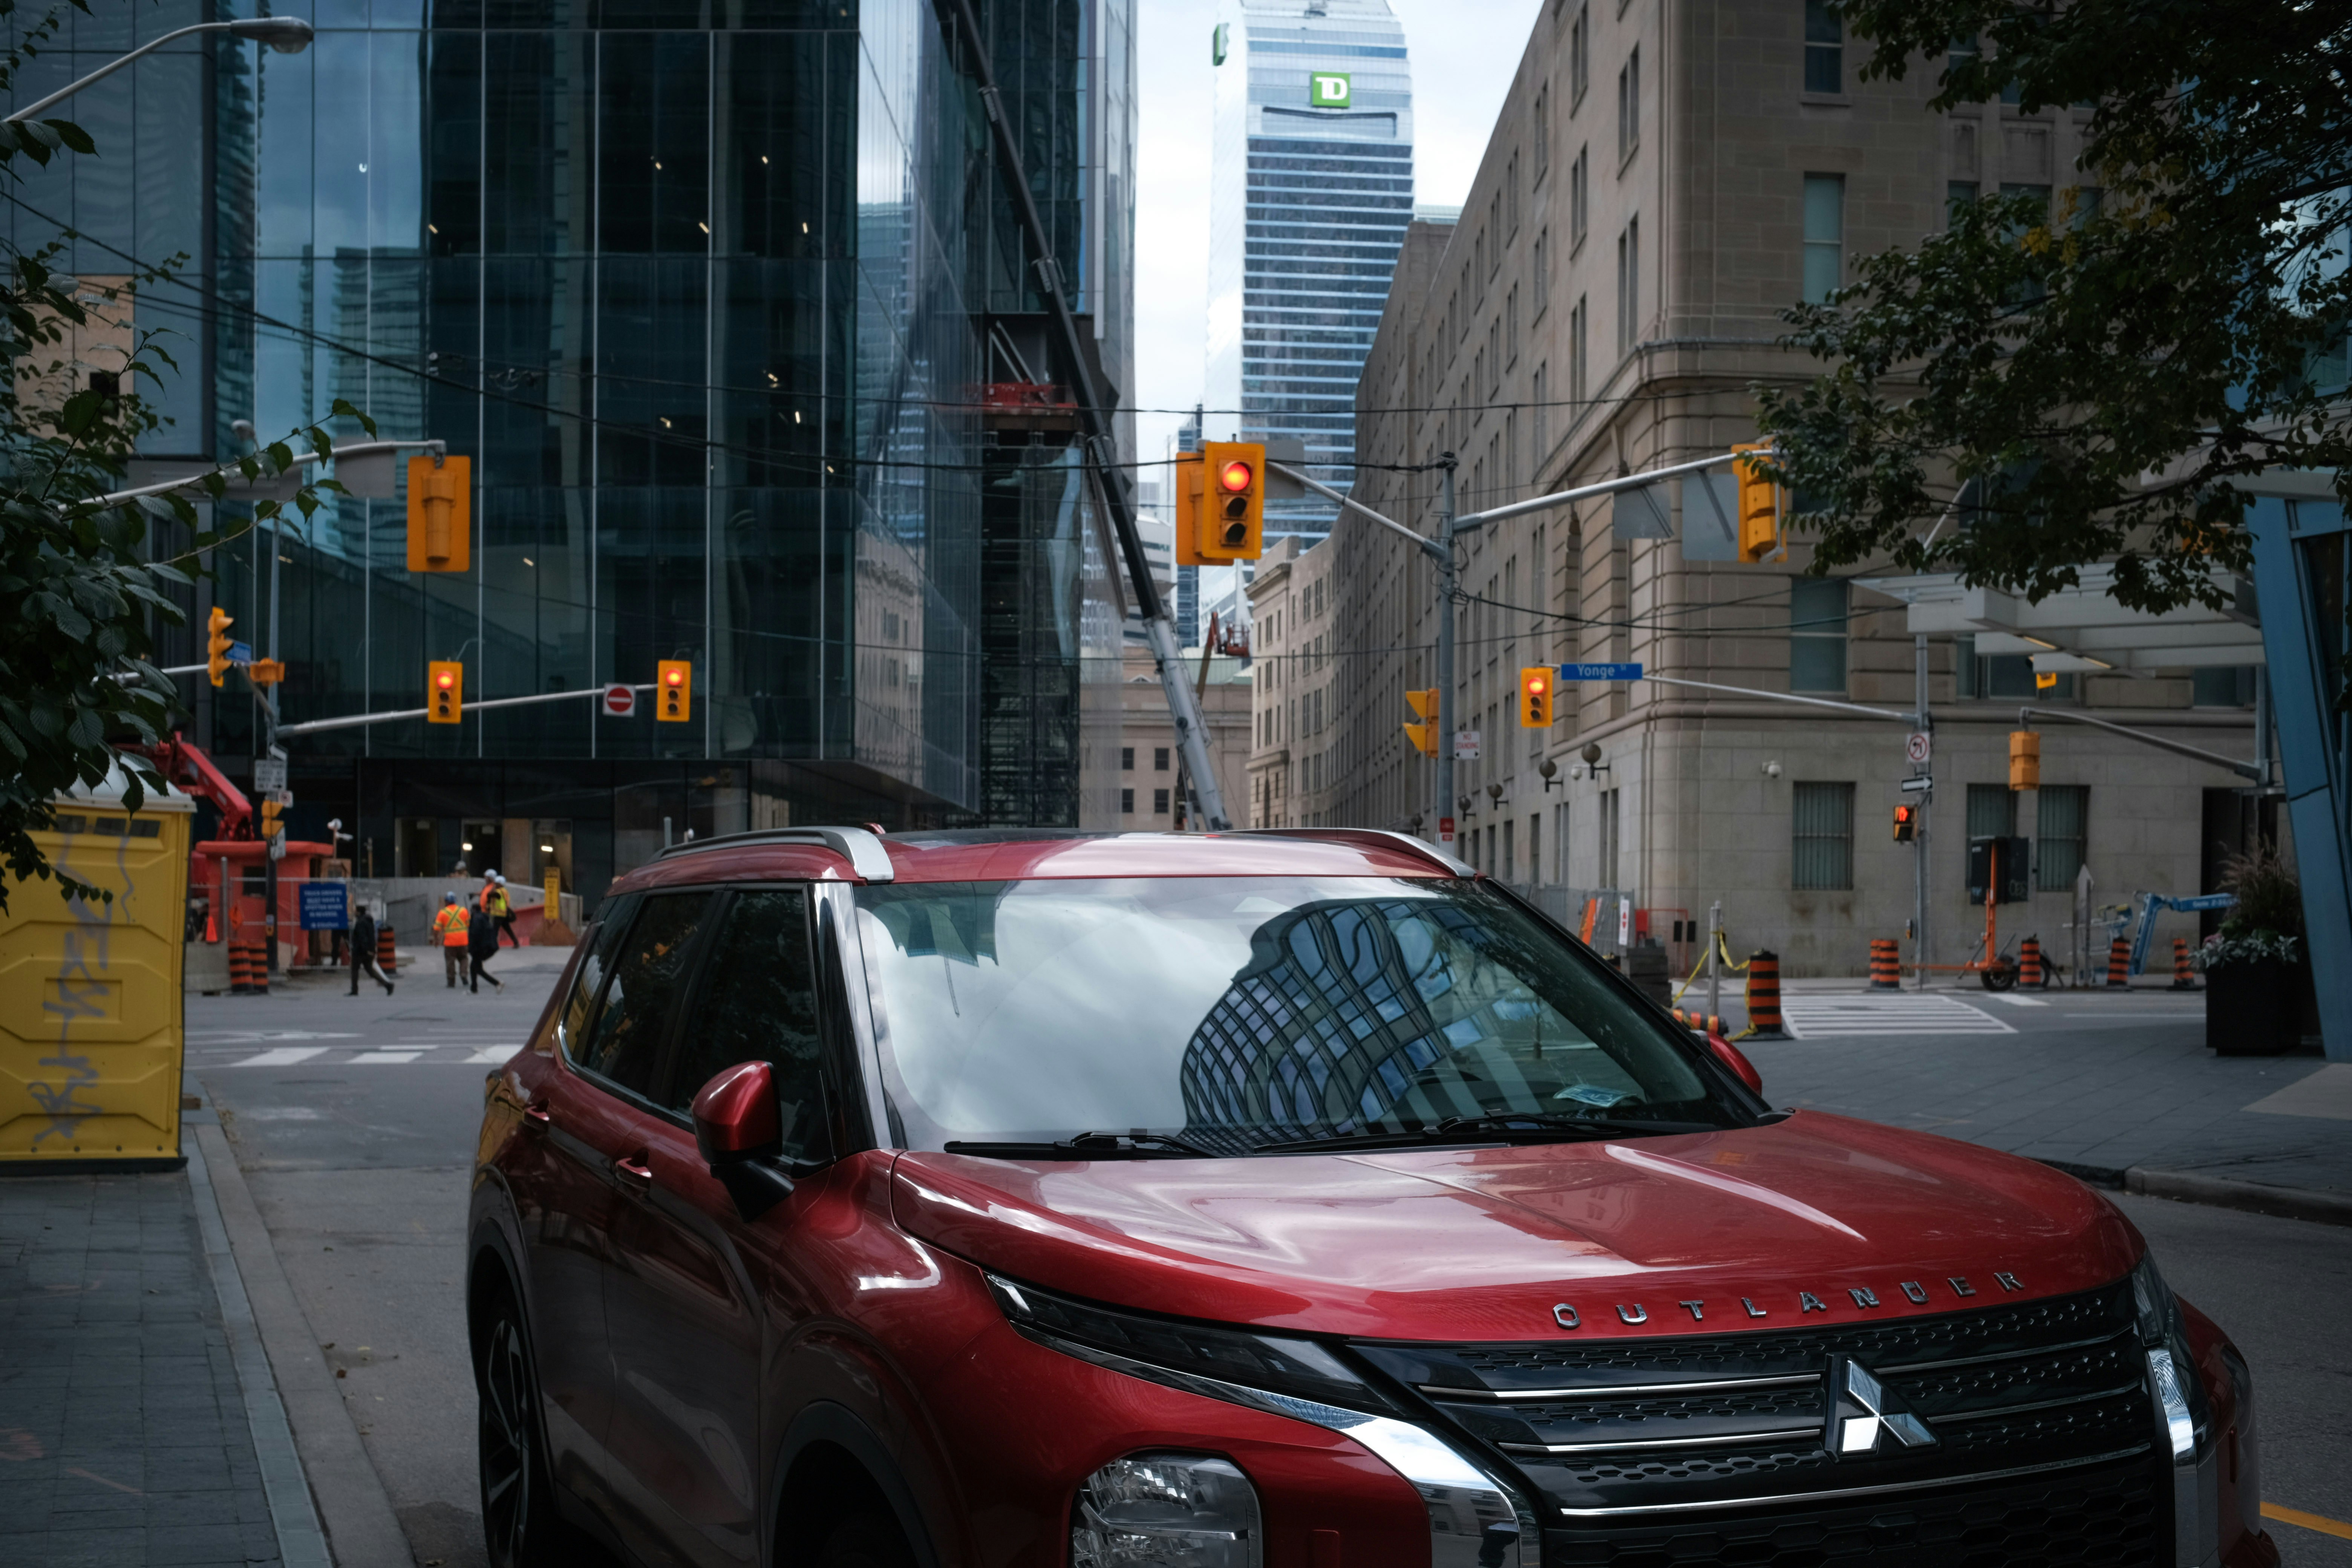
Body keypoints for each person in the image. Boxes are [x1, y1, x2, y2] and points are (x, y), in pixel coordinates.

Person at [349, 902, 394, 996]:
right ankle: (388, 985)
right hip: (369, 950)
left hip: (361, 951)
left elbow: (363, 938)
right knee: (371, 971)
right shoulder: (369, 921)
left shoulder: (361, 922)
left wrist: (365, 949)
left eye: (355, 911)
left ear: (359, 912)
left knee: (355, 970)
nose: (354, 913)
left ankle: (355, 990)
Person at [468, 888, 505, 993]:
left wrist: (471, 948)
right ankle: (474, 989)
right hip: (487, 948)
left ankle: (497, 984)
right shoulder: (484, 918)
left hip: (479, 948)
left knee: (478, 969)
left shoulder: (476, 919)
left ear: (473, 910)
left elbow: (475, 934)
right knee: (473, 967)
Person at [433, 890, 471, 989]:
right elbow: (469, 924)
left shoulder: (442, 913)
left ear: (446, 902)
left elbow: (437, 929)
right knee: (464, 958)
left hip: (450, 943)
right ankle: (463, 974)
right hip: (463, 941)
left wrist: (436, 940)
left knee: (450, 961)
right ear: (455, 901)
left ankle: (451, 981)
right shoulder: (463, 911)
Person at [485, 873, 518, 947]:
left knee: (495, 930)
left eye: (497, 884)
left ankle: (493, 945)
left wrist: (493, 888)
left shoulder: (499, 892)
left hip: (498, 914)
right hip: (503, 914)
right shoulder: (504, 891)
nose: (495, 885)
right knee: (508, 929)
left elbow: (489, 895)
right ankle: (516, 942)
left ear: (501, 884)